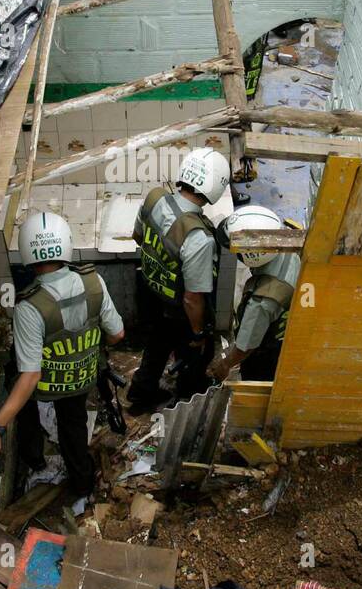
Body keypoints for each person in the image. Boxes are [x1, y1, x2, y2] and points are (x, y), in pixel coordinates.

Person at [0, 210, 124, 502]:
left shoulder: (30, 307)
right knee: (74, 430)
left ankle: (35, 461)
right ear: (66, 244)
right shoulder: (94, 284)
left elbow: (30, 376)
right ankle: (82, 486)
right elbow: (117, 334)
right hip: (80, 378)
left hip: (44, 388)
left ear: (28, 253)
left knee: (16, 381)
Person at [127, 146, 230, 411]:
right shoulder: (198, 238)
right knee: (198, 353)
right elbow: (192, 298)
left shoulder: (154, 198)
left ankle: (140, 395)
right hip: (177, 308)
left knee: (156, 345)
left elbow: (138, 238)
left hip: (150, 293)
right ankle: (187, 399)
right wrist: (198, 333)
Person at [208, 205, 301, 383]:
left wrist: (225, 365)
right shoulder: (286, 239)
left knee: (257, 378)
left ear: (251, 256)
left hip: (271, 349)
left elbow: (246, 345)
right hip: (293, 321)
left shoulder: (262, 300)